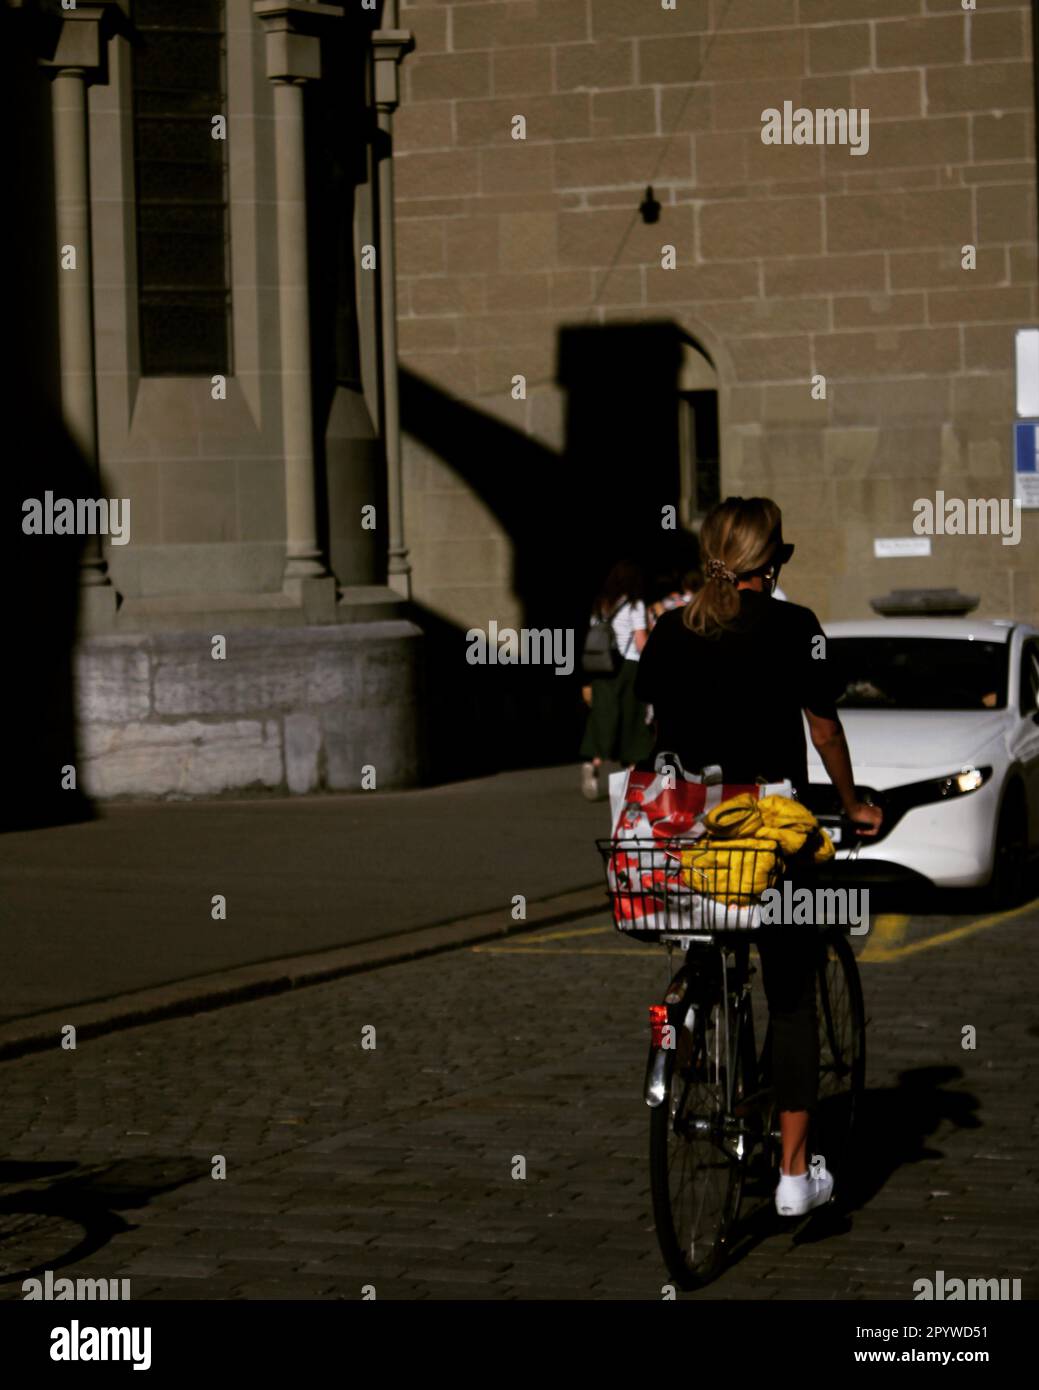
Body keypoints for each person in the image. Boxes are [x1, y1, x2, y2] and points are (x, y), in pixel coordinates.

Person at [635, 496, 883, 1217]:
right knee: (791, 996)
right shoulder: (794, 627)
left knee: (698, 951)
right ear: (769, 562)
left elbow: (656, 726)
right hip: (767, 837)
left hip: (685, 837)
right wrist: (853, 801)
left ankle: (681, 1040)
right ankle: (794, 1174)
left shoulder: (668, 630)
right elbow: (824, 730)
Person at [580, 560, 655, 800]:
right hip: (628, 666)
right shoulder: (635, 605)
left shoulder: (601, 604)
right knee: (631, 718)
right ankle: (631, 775)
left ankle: (594, 764)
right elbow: (641, 641)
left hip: (603, 668)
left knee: (603, 716)